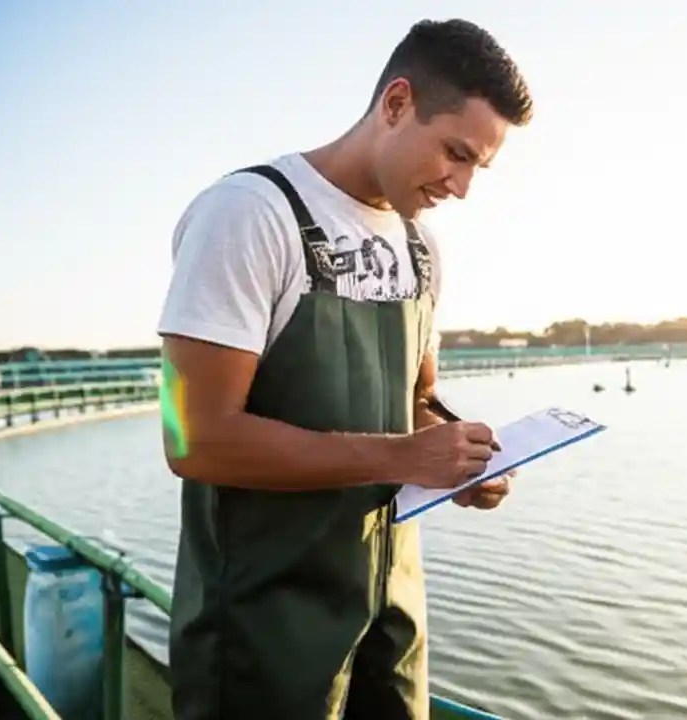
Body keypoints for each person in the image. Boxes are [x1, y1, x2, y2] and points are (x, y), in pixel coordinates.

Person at [154, 18, 533, 720]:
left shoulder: (423, 249)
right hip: (261, 637)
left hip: (392, 627)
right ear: (395, 103)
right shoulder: (246, 214)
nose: (462, 186)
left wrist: (460, 454)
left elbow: (416, 399)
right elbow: (192, 439)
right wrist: (402, 454)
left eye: (478, 166)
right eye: (455, 153)